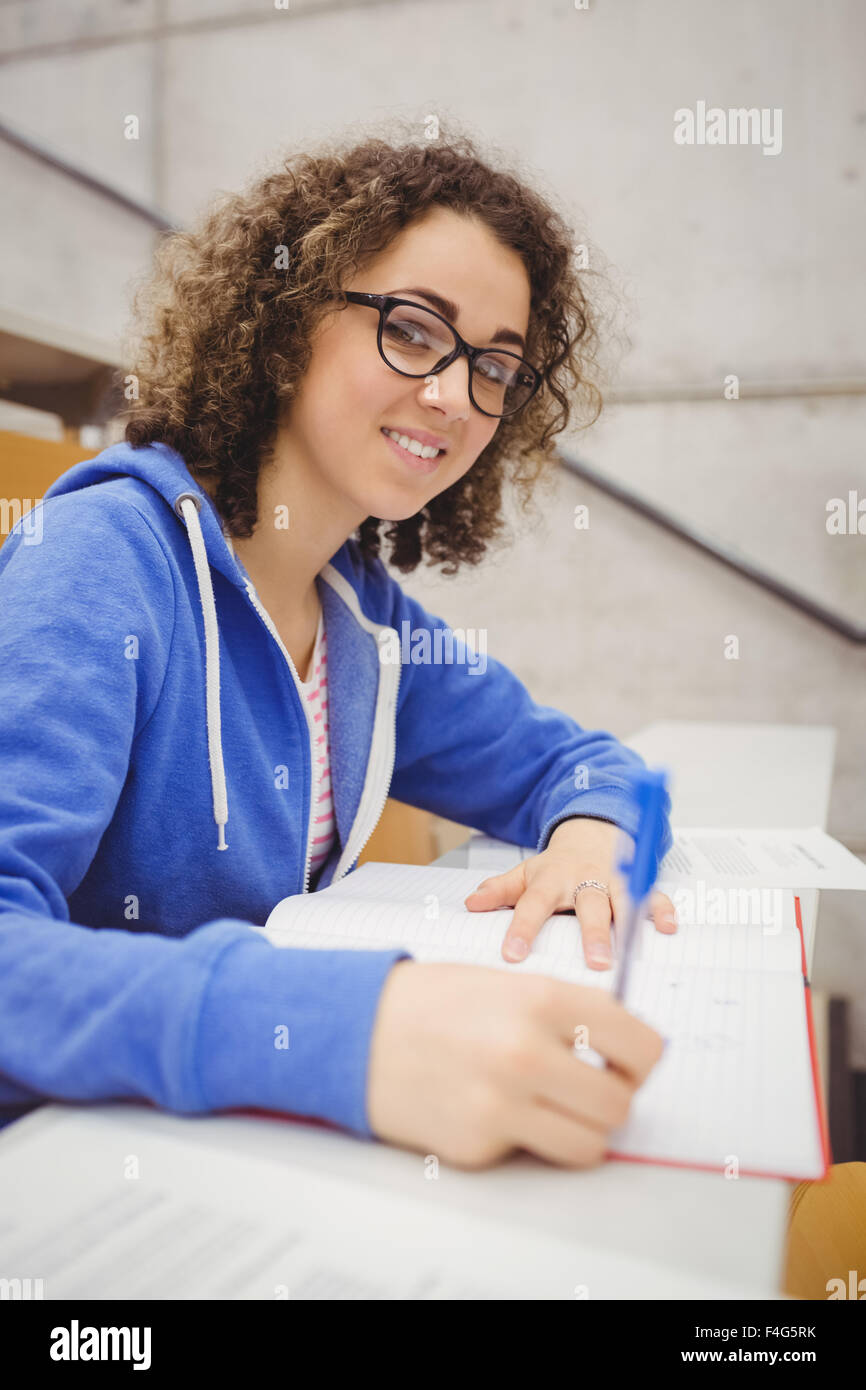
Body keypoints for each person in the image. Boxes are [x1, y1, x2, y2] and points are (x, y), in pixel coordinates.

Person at [0, 129, 677, 1170]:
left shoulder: (364, 616)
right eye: (413, 330)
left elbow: (576, 764)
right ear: (284, 320)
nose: (453, 397)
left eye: (494, 364)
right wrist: (346, 1031)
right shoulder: (104, 559)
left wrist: (588, 843)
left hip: (243, 1154)